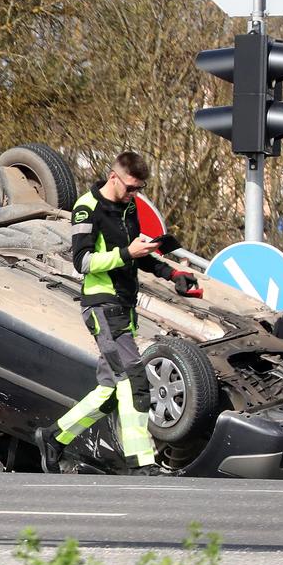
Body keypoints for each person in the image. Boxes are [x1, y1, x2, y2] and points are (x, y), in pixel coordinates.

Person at [35, 150, 201, 473]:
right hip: (101, 305)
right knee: (135, 381)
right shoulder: (87, 208)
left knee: (111, 392)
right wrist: (127, 252)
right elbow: (82, 262)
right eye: (130, 188)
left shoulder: (130, 207)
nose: (134, 195)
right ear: (114, 177)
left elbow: (138, 256)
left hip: (123, 307)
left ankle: (54, 438)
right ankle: (142, 463)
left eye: (139, 189)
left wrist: (173, 274)